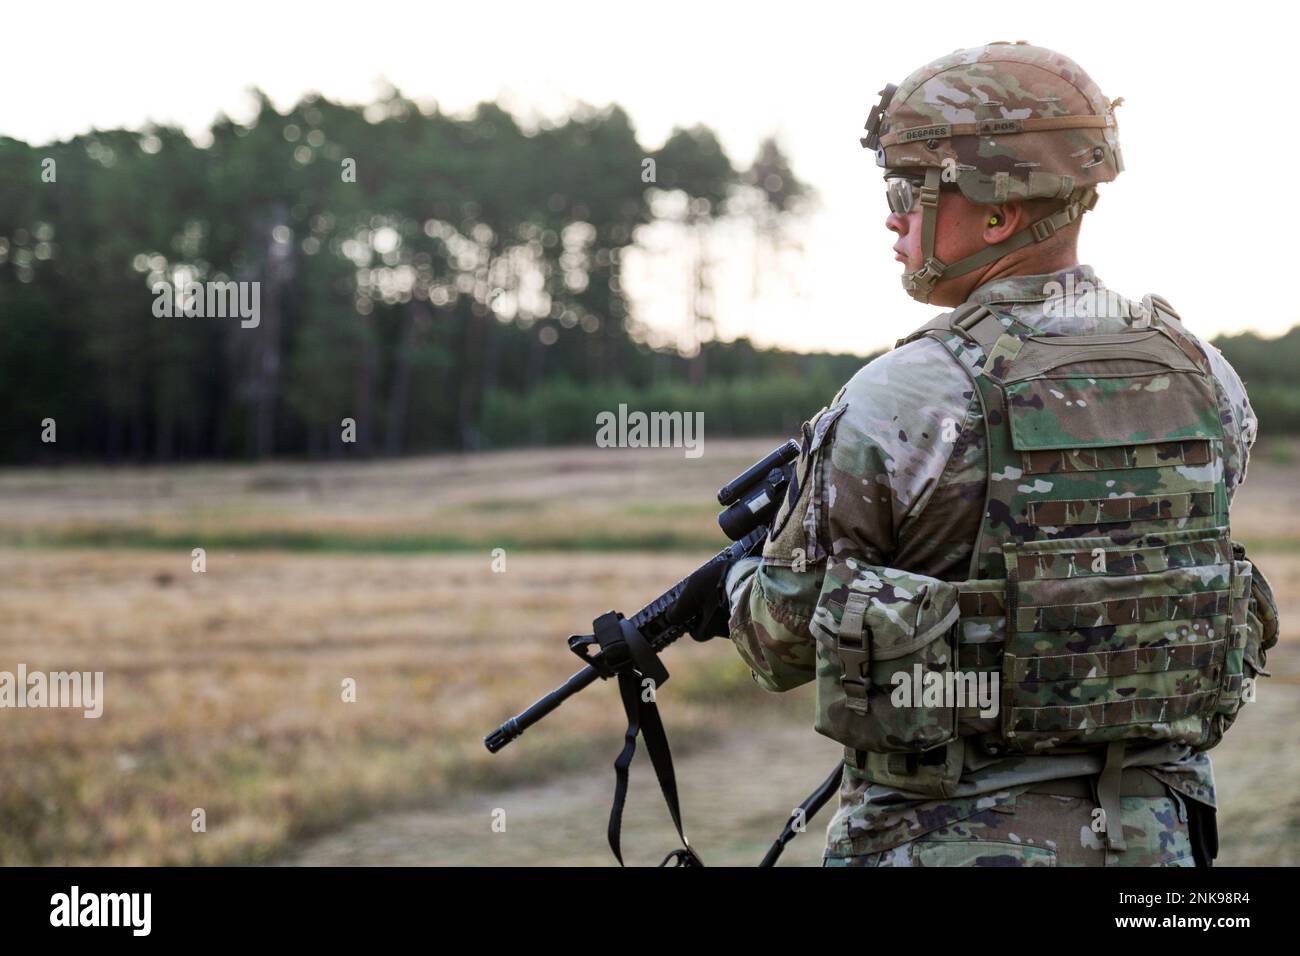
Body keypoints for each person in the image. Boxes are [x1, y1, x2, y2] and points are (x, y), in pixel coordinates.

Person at [711, 41, 1277, 866]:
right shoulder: (1207, 376)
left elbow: (782, 639)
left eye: (908, 188)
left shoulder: (904, 397)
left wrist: (733, 580)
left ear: (997, 212)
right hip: (1158, 849)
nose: (892, 216)